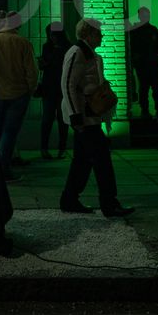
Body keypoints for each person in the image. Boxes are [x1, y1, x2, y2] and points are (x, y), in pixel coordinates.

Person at [59, 18, 134, 218]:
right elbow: (68, 85)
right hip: (84, 117)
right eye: (98, 33)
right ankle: (108, 203)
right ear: (88, 34)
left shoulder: (85, 53)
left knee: (83, 161)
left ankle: (70, 199)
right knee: (101, 159)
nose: (101, 36)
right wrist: (76, 117)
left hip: (86, 116)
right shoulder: (78, 53)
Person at [0, 11, 38, 181]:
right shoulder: (23, 43)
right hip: (19, 94)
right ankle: (3, 169)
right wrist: (31, 89)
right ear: (16, 25)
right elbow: (32, 71)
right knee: (10, 132)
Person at [128, 7, 158, 122]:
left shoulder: (151, 31)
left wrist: (155, 54)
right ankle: (148, 110)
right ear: (140, 16)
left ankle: (155, 110)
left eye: (147, 15)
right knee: (146, 87)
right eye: (144, 15)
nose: (145, 17)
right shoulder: (138, 31)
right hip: (144, 64)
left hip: (151, 64)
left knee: (151, 87)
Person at [38, 22, 70, 160]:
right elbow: (45, 66)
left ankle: (61, 148)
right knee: (47, 119)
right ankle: (44, 148)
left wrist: (48, 61)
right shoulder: (47, 47)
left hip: (62, 87)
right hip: (49, 87)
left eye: (53, 34)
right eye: (50, 34)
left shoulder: (68, 48)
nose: (51, 37)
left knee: (63, 119)